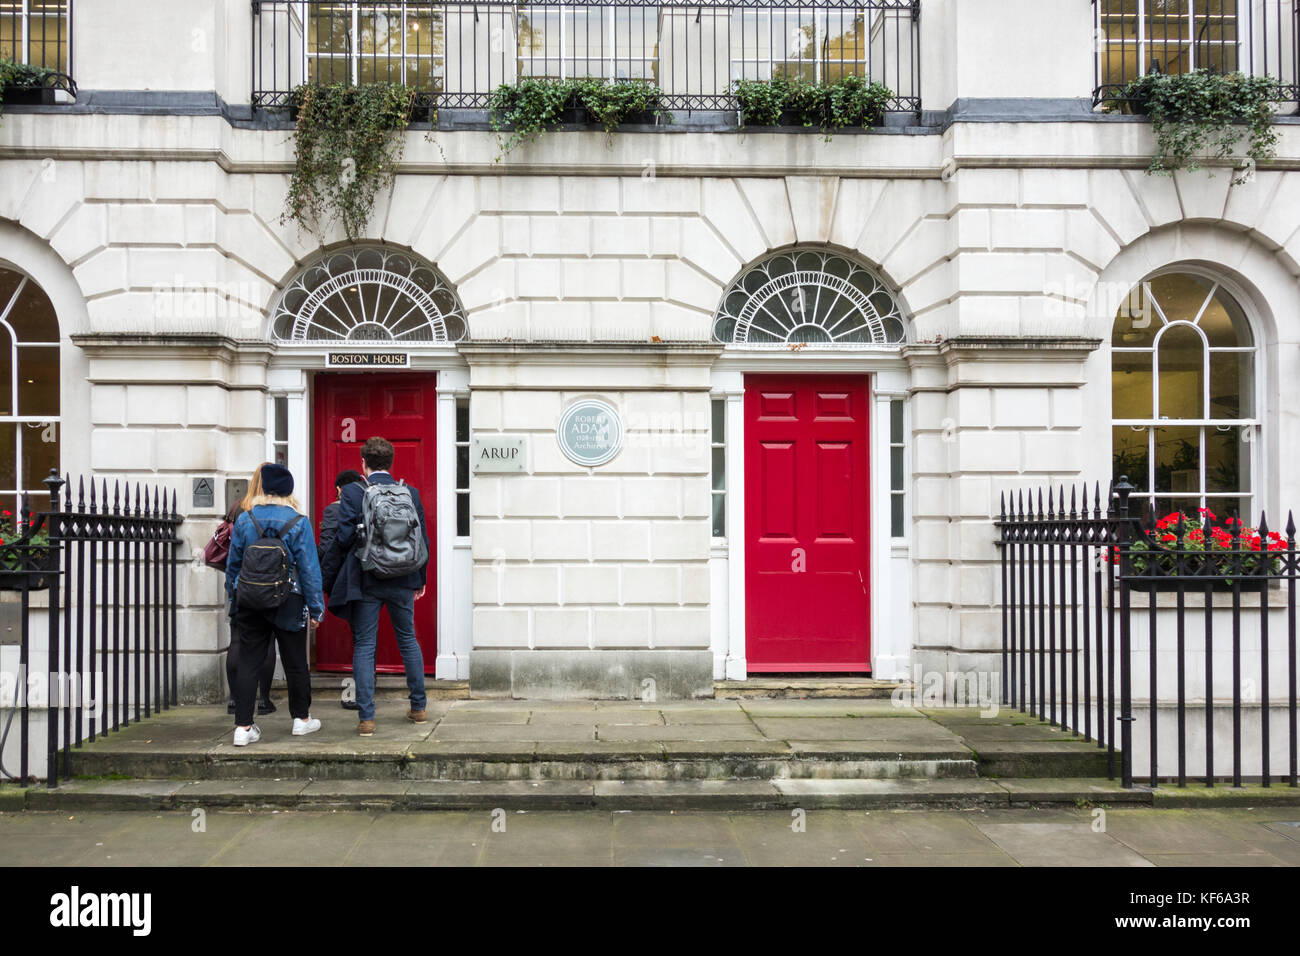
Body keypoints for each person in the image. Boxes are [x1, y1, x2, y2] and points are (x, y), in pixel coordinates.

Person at [330, 436, 430, 736]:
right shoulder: (409, 492)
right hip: (403, 577)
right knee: (408, 640)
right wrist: (420, 579)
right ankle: (419, 708)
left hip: (367, 579)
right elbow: (422, 539)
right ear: (390, 462)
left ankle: (367, 719)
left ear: (364, 464)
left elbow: (344, 538)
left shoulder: (351, 492)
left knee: (364, 644)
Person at [225, 463, 325, 746]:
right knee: (295, 662)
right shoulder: (298, 521)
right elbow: (309, 569)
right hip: (289, 599)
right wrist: (316, 608)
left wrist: (235, 597)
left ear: (264, 488)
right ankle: (301, 720)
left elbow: (233, 564)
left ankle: (243, 727)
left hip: (251, 601)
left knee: (249, 661)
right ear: (289, 490)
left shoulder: (246, 519)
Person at [222, 465, 277, 716]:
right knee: (266, 644)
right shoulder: (278, 512)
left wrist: (232, 587)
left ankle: (235, 699)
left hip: (241, 584)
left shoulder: (239, 508)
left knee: (237, 641)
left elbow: (233, 554)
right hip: (271, 585)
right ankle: (264, 699)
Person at [319, 469, 366, 710]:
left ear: (339, 489)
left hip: (347, 582)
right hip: (375, 577)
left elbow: (327, 547)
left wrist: (323, 581)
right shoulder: (373, 500)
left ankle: (356, 694)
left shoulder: (333, 510)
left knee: (360, 639)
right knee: (367, 637)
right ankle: (366, 687)